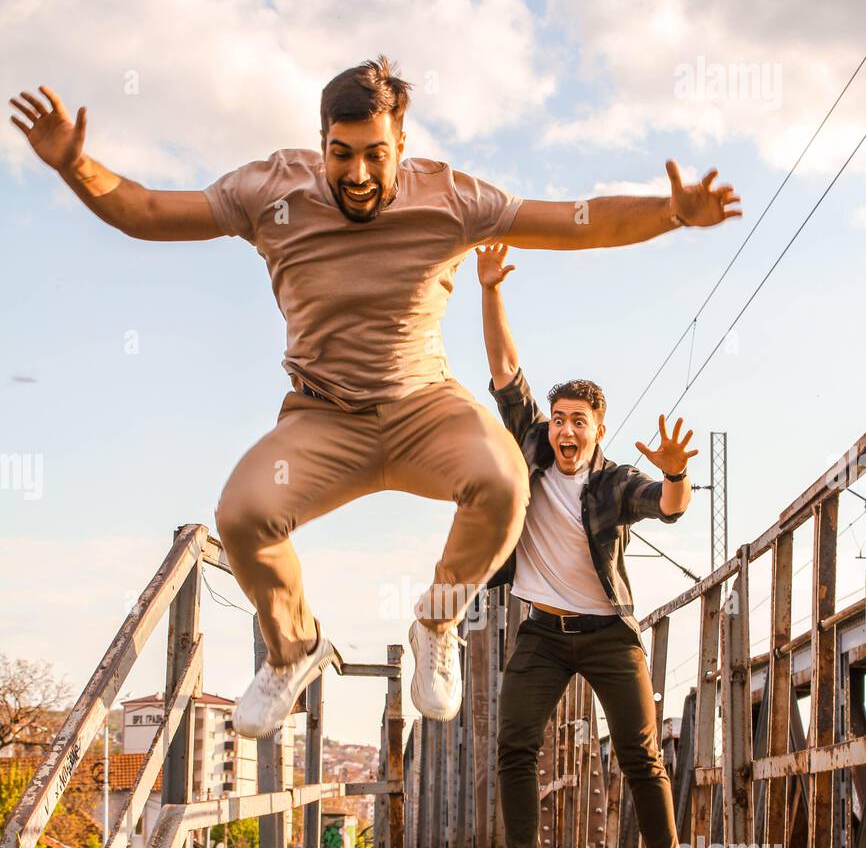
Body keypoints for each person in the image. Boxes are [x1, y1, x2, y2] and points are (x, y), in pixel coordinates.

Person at [10, 57, 741, 738]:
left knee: (503, 481)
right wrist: (76, 166)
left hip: (426, 409)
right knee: (243, 514)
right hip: (323, 415)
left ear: (401, 145)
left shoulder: (451, 199)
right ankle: (293, 647)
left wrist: (669, 214)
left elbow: (574, 221)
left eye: (375, 154)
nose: (357, 174)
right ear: (320, 143)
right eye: (341, 153)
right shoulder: (271, 192)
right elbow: (149, 212)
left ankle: (436, 624)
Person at [476, 243, 694, 848]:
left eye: (580, 422)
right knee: (515, 743)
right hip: (541, 630)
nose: (565, 430)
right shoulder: (532, 447)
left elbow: (667, 505)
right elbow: (507, 375)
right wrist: (490, 290)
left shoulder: (613, 482)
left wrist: (678, 474)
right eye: (559, 418)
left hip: (606, 633)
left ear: (599, 432)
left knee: (640, 753)